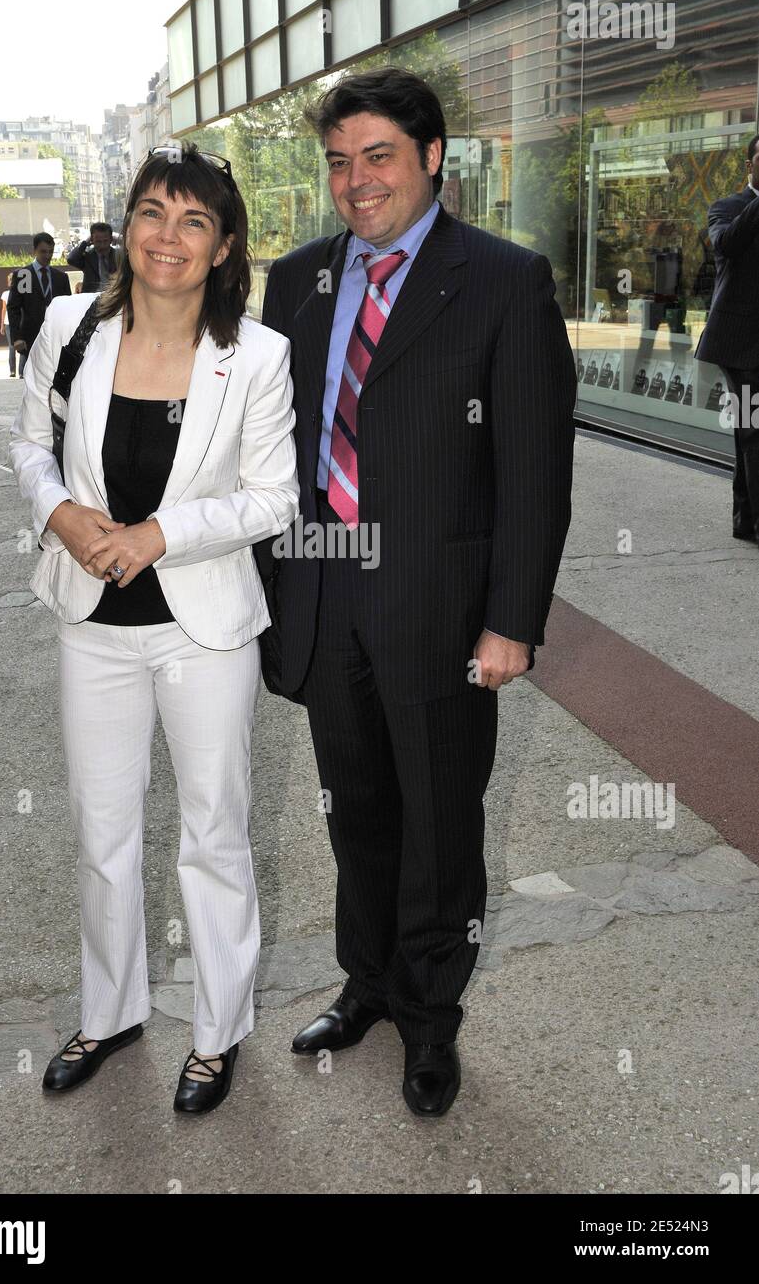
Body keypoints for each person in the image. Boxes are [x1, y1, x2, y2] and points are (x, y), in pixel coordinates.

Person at [253, 67, 576, 1117]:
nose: (356, 181)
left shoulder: (502, 280)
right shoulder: (295, 282)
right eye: (339, 161)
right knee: (355, 816)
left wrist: (510, 621)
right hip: (323, 592)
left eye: (378, 155)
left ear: (433, 156)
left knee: (439, 829)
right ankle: (370, 984)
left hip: (438, 611)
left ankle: (431, 1024)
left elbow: (531, 473)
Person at [8, 143, 298, 1114]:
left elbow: (272, 499)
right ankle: (112, 1009)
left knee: (212, 832)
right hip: (91, 623)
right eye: (150, 213)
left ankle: (216, 1032)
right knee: (102, 832)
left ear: (223, 247)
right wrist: (57, 510)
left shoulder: (255, 357)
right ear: (123, 223)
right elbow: (28, 439)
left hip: (202, 628)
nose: (166, 238)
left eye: (192, 221)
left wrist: (158, 534)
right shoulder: (69, 327)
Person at [695, 132, 759, 543]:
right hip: (740, 343)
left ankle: (745, 521)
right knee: (755, 428)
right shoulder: (727, 208)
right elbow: (728, 245)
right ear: (750, 164)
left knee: (748, 433)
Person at [6, 233, 71, 377]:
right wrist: (17, 337)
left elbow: (67, 309)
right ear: (34, 250)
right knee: (35, 376)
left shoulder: (60, 277)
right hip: (31, 337)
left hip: (56, 336)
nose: (47, 256)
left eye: (50, 252)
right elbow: (14, 308)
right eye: (43, 251)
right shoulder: (25, 276)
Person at [67, 222, 120, 293]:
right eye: (98, 241)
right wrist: (85, 242)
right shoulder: (87, 257)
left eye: (105, 241)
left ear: (111, 239)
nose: (102, 245)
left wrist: (120, 240)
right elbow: (71, 259)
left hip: (113, 296)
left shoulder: (119, 256)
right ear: (92, 240)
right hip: (91, 298)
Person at [0, 272, 16, 377]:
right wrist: (2, 325)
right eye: (9, 280)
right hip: (8, 323)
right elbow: (3, 310)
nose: (9, 282)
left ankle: (20, 371)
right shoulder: (5, 294)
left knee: (16, 347)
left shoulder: (21, 293)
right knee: (11, 347)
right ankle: (13, 370)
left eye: (10, 280)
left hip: (16, 323)